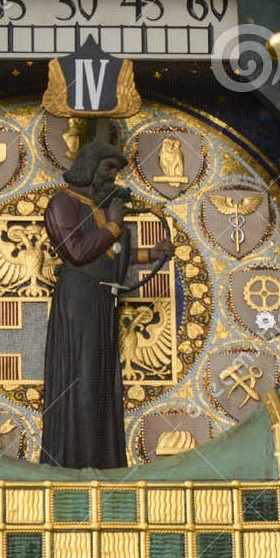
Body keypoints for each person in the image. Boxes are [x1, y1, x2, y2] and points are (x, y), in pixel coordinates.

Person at [40, 141, 170, 469]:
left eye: (115, 170)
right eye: (108, 168)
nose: (112, 176)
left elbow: (110, 255)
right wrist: (114, 225)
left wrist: (151, 255)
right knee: (82, 375)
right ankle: (74, 459)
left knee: (99, 379)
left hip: (102, 299)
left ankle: (101, 459)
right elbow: (78, 252)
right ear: (89, 166)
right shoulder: (63, 203)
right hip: (80, 298)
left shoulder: (101, 205)